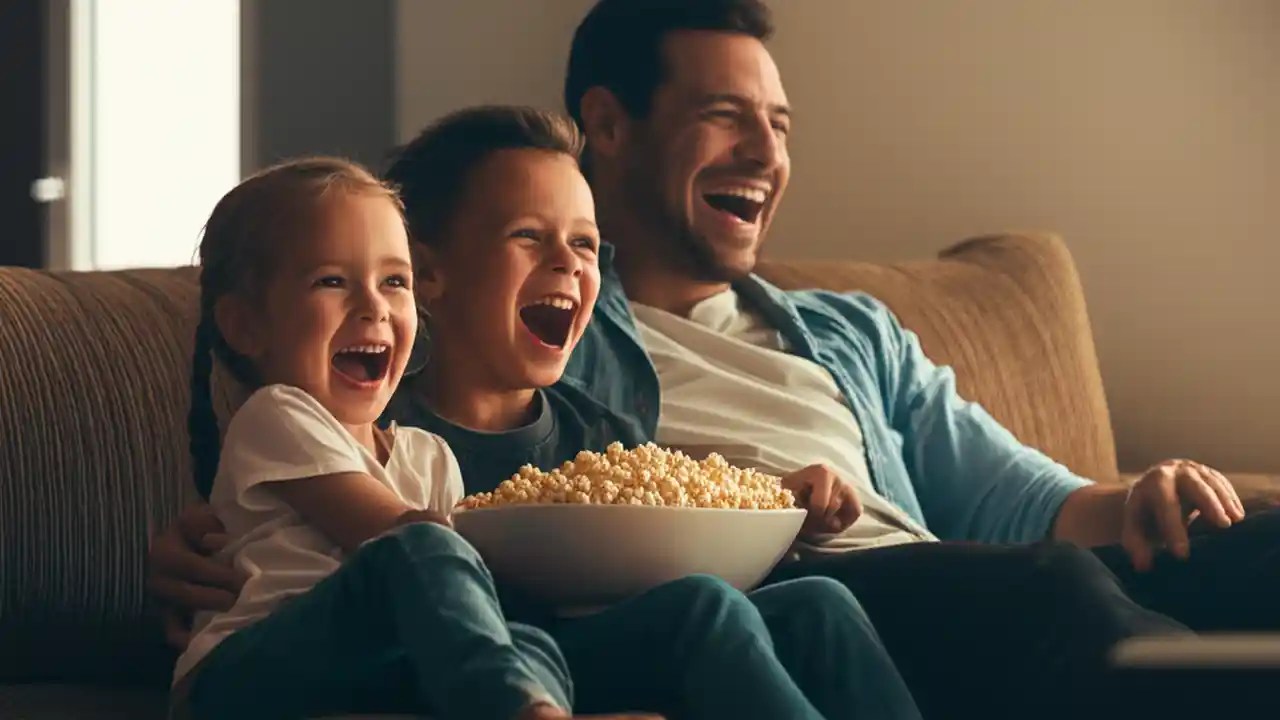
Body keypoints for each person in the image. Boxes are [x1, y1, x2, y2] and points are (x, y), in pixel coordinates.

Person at [149, 0, 1279, 716]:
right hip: (856, 582)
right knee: (1056, 587)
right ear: (610, 124)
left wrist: (1145, 493)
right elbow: (403, 424)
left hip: (947, 562)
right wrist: (234, 533)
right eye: (724, 116)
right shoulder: (567, 344)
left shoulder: (849, 329)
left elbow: (1025, 494)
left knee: (1233, 547)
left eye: (778, 125)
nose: (764, 152)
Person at [175, 110, 922, 720]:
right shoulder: (303, 414)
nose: (567, 264)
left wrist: (766, 504)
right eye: (530, 236)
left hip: (466, 656)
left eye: (588, 246)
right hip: (290, 668)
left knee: (816, 601)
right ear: (436, 274)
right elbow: (415, 551)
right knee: (448, 566)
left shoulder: (545, 445)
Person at [173, 156, 652, 720]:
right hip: (244, 678)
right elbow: (403, 540)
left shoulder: (428, 456)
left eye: (393, 282)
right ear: (245, 326)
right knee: (421, 549)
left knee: (527, 643)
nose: (374, 307)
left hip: (364, 671)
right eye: (332, 281)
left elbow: (465, 594)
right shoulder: (276, 417)